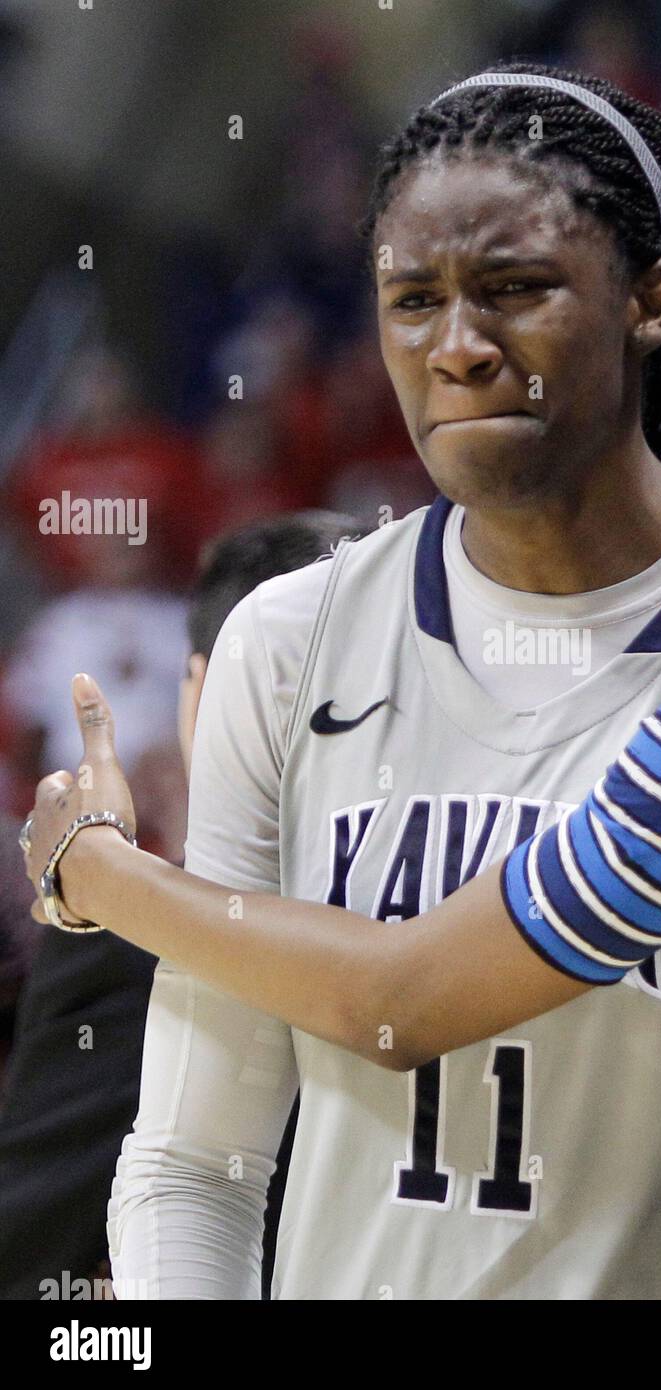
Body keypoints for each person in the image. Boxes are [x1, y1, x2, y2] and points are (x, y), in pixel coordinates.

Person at [24, 162, 661, 1302]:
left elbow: (400, 996)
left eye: (517, 286)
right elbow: (192, 1160)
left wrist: (99, 872)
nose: (462, 348)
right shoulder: (292, 637)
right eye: (413, 298)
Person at [0, 511, 359, 1302]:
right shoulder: (472, 909)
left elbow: (28, 1267)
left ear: (197, 691)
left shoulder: (123, 941)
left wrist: (99, 880)